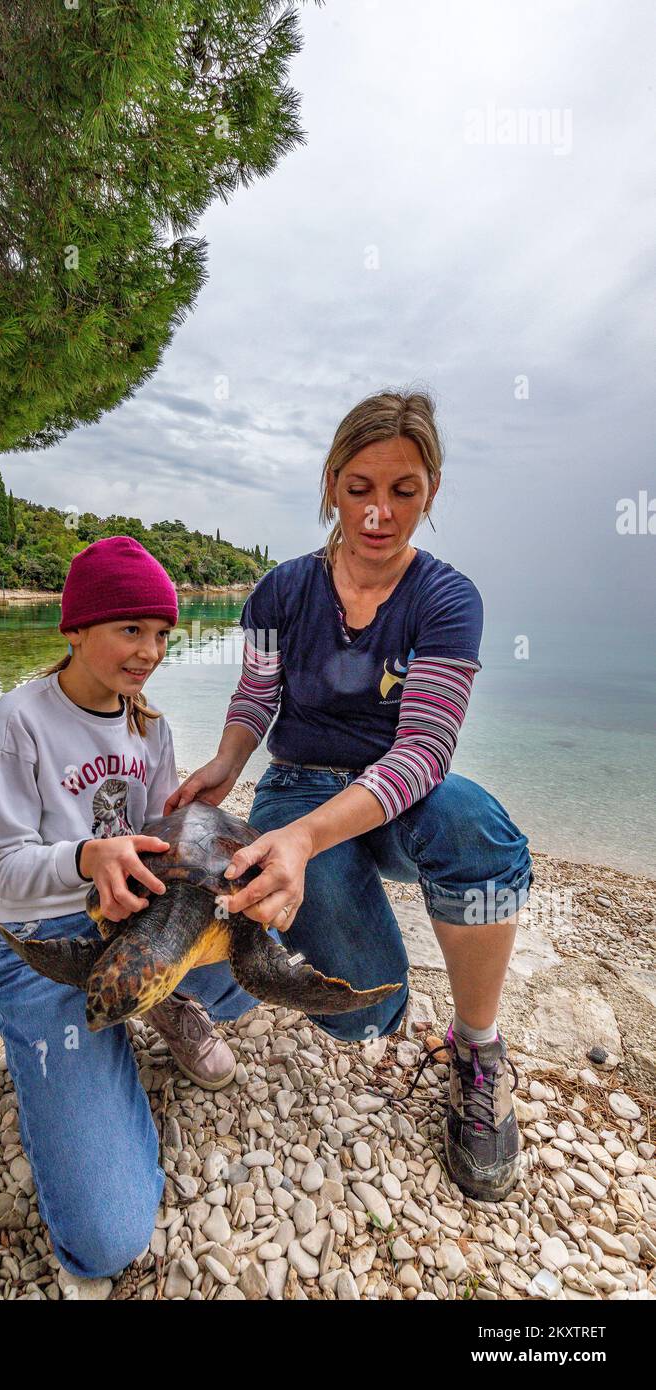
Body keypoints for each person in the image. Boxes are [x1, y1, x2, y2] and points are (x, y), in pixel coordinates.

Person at [166, 388, 534, 1203]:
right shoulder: (279, 592)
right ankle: (294, 931)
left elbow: (425, 751)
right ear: (332, 482)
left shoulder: (446, 600)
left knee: (478, 829)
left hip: (398, 796)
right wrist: (229, 762)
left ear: (430, 491)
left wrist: (306, 843)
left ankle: (478, 1049)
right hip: (294, 788)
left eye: (403, 490)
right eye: (361, 487)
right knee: (366, 1012)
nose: (379, 512)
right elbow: (256, 699)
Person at [0, 536, 260, 1278]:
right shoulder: (14, 725)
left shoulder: (150, 725)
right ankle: (60, 1054)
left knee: (258, 962)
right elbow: (2, 869)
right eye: (130, 629)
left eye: (162, 633)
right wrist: (84, 858)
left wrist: (210, 842)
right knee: (106, 1242)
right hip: (47, 942)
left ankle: (153, 1000)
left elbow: (161, 843)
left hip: (139, 920)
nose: (152, 650)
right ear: (74, 629)